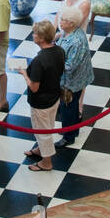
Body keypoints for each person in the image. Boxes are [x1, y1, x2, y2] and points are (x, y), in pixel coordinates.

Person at [10, 18, 65, 172]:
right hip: (54, 96)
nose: (33, 35)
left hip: (41, 102)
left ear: (41, 38)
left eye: (35, 33)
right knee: (48, 125)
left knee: (42, 131)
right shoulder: (59, 50)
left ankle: (46, 162)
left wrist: (24, 73)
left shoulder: (39, 60)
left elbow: (34, 87)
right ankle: (41, 150)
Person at [56, 6, 94, 149]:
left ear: (72, 23)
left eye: (63, 20)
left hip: (72, 81)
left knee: (69, 107)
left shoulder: (76, 41)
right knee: (69, 106)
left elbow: (70, 65)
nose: (60, 22)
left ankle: (69, 136)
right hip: (72, 79)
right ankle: (71, 130)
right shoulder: (68, 33)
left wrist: (52, 65)